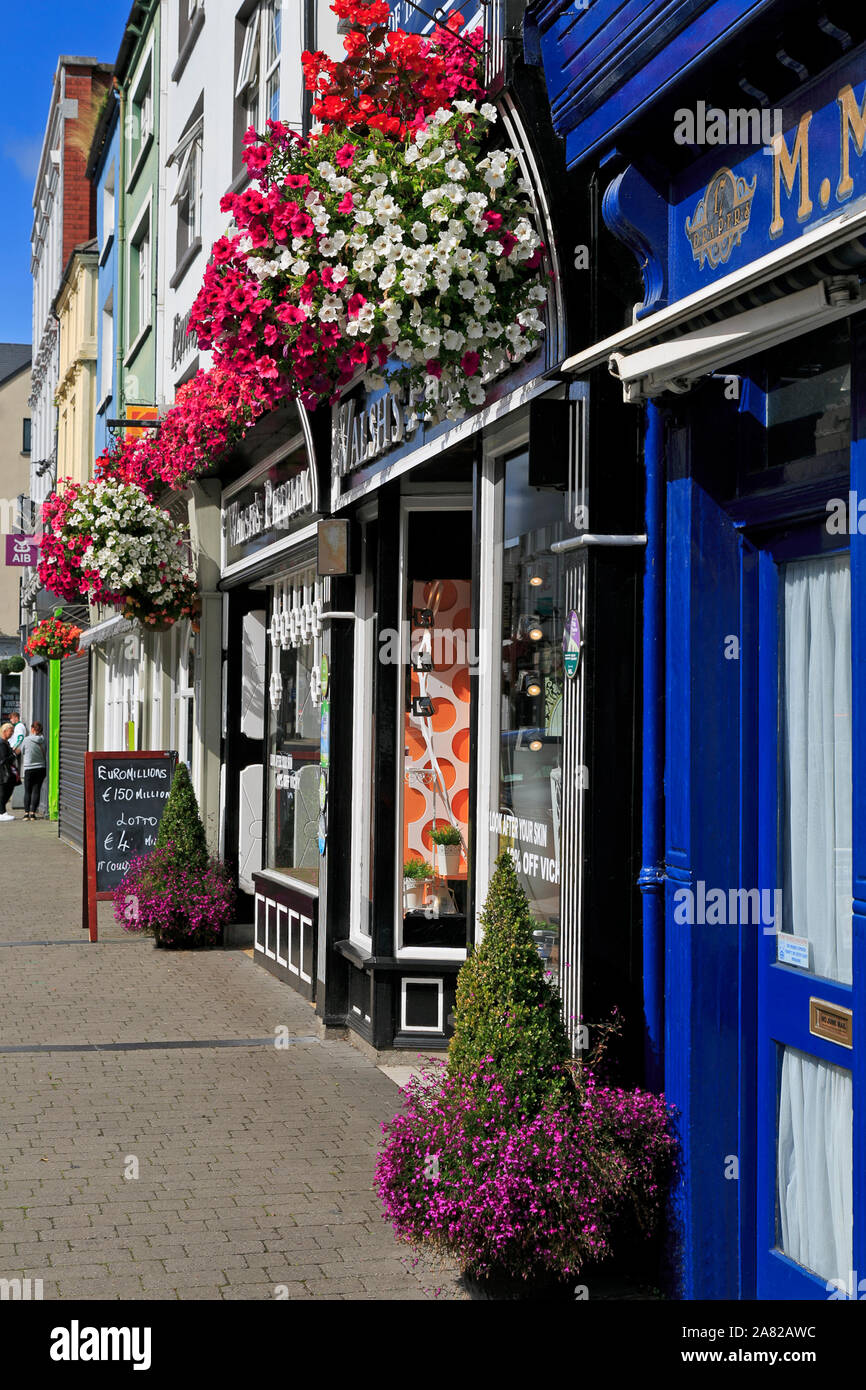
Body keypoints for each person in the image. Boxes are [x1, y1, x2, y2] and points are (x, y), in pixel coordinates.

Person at [21, 721, 46, 821]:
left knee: (28, 791)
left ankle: (26, 813)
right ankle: (33, 814)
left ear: (32, 729)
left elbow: (22, 751)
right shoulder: (43, 740)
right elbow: (45, 751)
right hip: (40, 768)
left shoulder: (26, 740)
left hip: (29, 768)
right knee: (36, 790)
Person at [0, 723, 16, 820]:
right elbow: (3, 759)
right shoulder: (1, 743)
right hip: (3, 772)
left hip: (6, 771)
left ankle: (2, 812)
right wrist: (14, 755)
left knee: (7, 791)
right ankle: (2, 813)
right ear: (5, 731)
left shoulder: (6, 742)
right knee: (3, 792)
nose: (12, 733)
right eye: (11, 731)